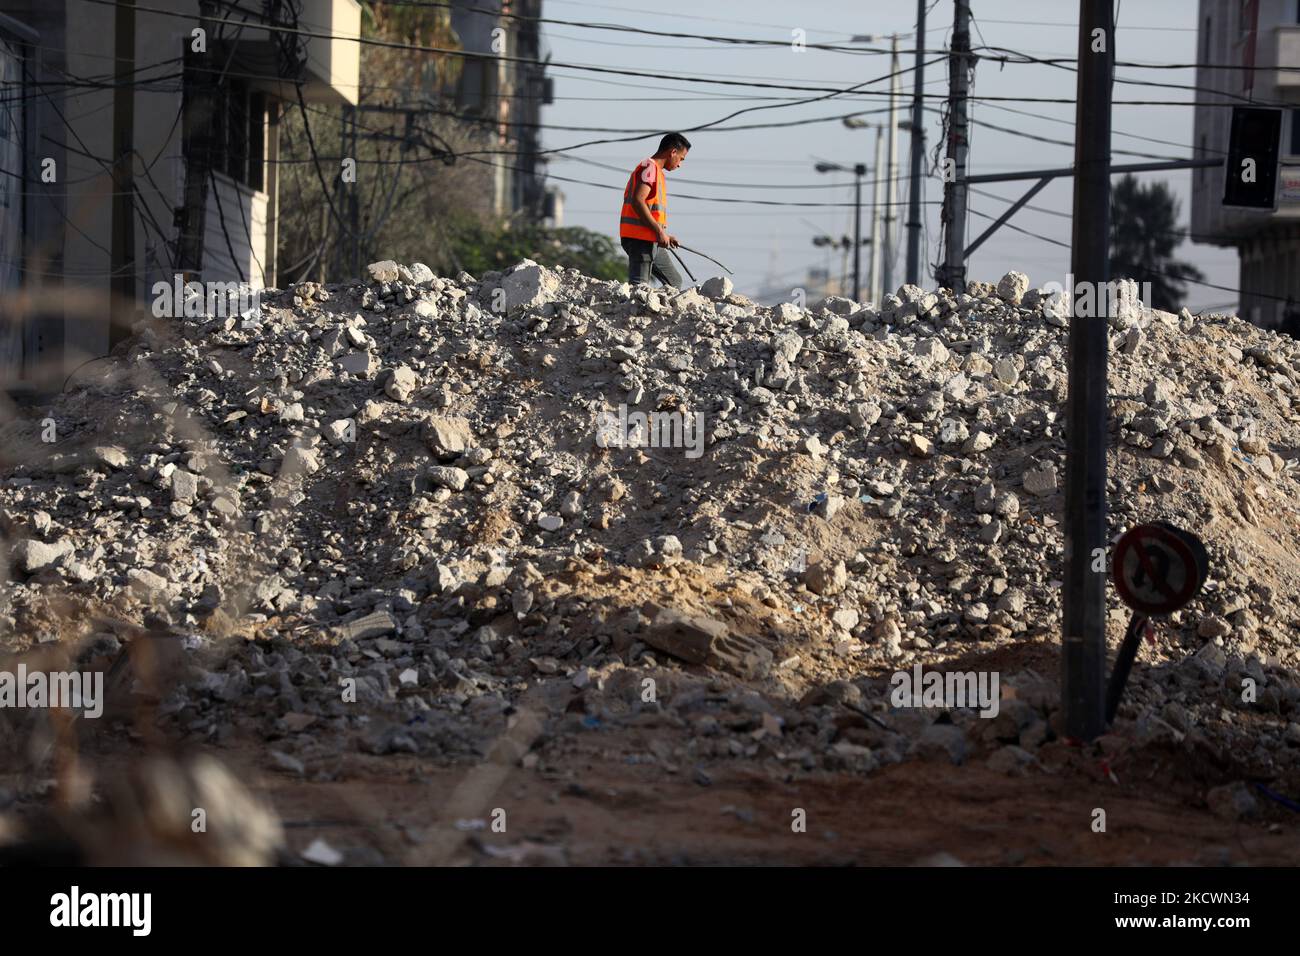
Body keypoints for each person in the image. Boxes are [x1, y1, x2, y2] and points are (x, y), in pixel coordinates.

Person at [619, 132, 690, 287]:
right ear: (672, 152)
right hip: (640, 239)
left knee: (674, 282)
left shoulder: (657, 172)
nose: (679, 164)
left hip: (651, 238)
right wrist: (659, 232)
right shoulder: (649, 168)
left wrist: (664, 234)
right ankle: (635, 311)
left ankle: (657, 310)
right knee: (639, 287)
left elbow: (651, 209)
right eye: (681, 159)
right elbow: (638, 201)